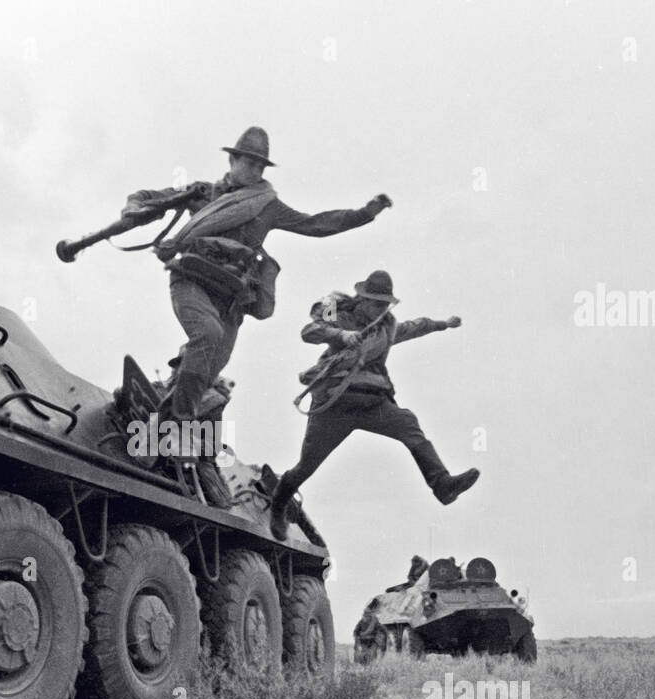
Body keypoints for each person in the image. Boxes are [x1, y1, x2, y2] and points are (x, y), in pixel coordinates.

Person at [123, 127, 390, 504]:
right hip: (191, 282)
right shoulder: (202, 193)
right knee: (207, 337)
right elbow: (149, 197)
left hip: (230, 300)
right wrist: (134, 208)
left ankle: (156, 435)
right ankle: (178, 427)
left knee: (208, 373)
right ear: (232, 161)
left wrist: (363, 215)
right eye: (248, 161)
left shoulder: (266, 205)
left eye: (260, 164)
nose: (254, 170)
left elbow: (315, 224)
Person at [270, 271, 480, 540]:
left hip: (373, 402)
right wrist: (341, 335)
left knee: (408, 422)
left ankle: (442, 484)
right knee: (307, 466)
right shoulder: (339, 310)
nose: (381, 309)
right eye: (376, 303)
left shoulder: (387, 326)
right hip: (336, 402)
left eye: (385, 304)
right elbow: (309, 331)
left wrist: (443, 324)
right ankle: (279, 504)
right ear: (364, 299)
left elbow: (414, 326)